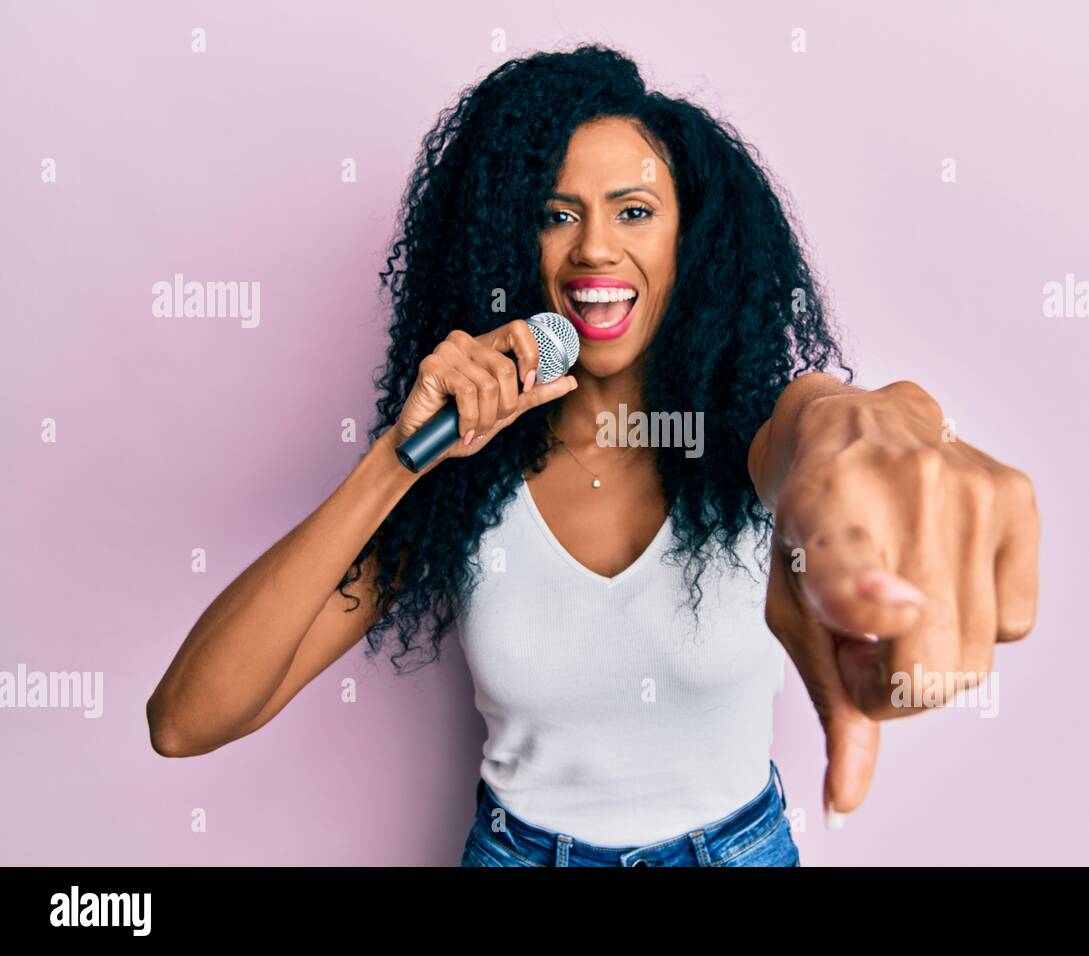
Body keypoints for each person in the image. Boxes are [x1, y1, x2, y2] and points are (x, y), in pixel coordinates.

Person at [146, 44, 1039, 868]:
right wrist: (400, 460)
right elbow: (187, 721)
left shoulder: (753, 438)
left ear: (691, 244)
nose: (596, 249)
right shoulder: (461, 482)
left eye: (636, 211)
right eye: (557, 213)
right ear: (510, 244)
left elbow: (821, 429)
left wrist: (863, 430)